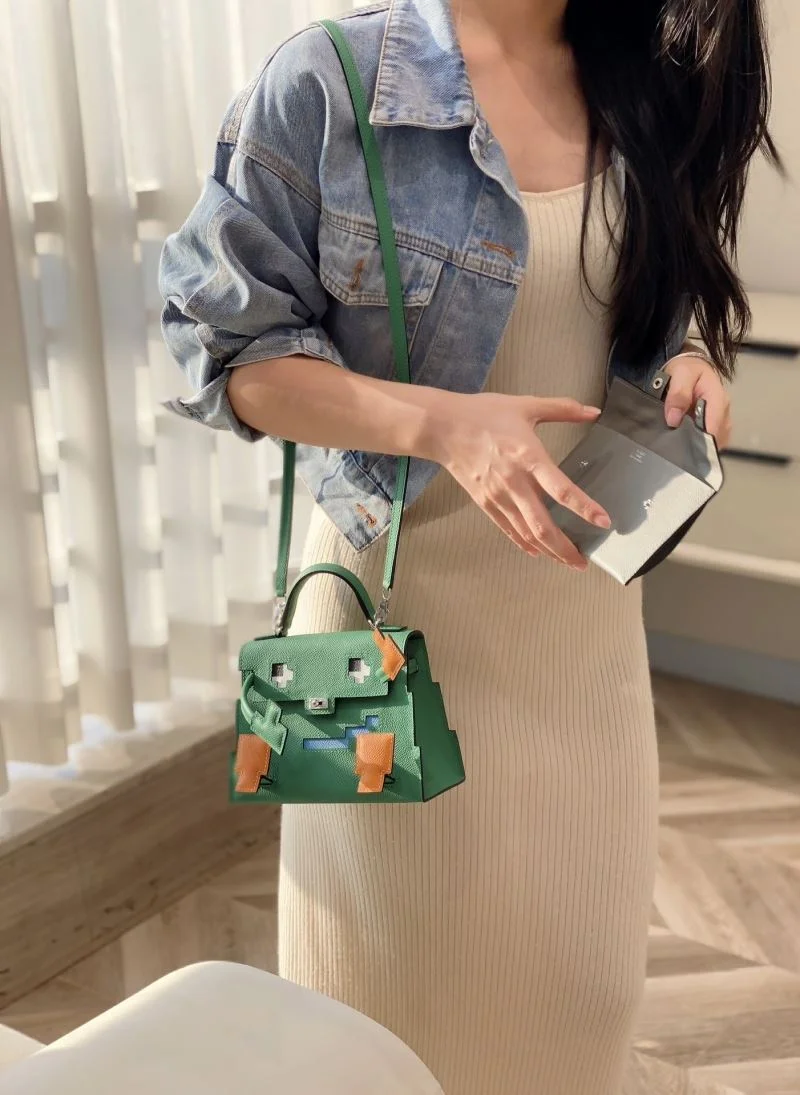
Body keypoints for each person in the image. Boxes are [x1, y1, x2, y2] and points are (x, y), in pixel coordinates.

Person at [158, 0, 779, 1091]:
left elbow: (640, 301)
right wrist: (445, 426)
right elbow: (230, 356)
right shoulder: (331, 81)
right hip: (381, 624)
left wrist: (686, 360)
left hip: (581, 627)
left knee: (581, 995)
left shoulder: (647, 70)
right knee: (382, 1015)